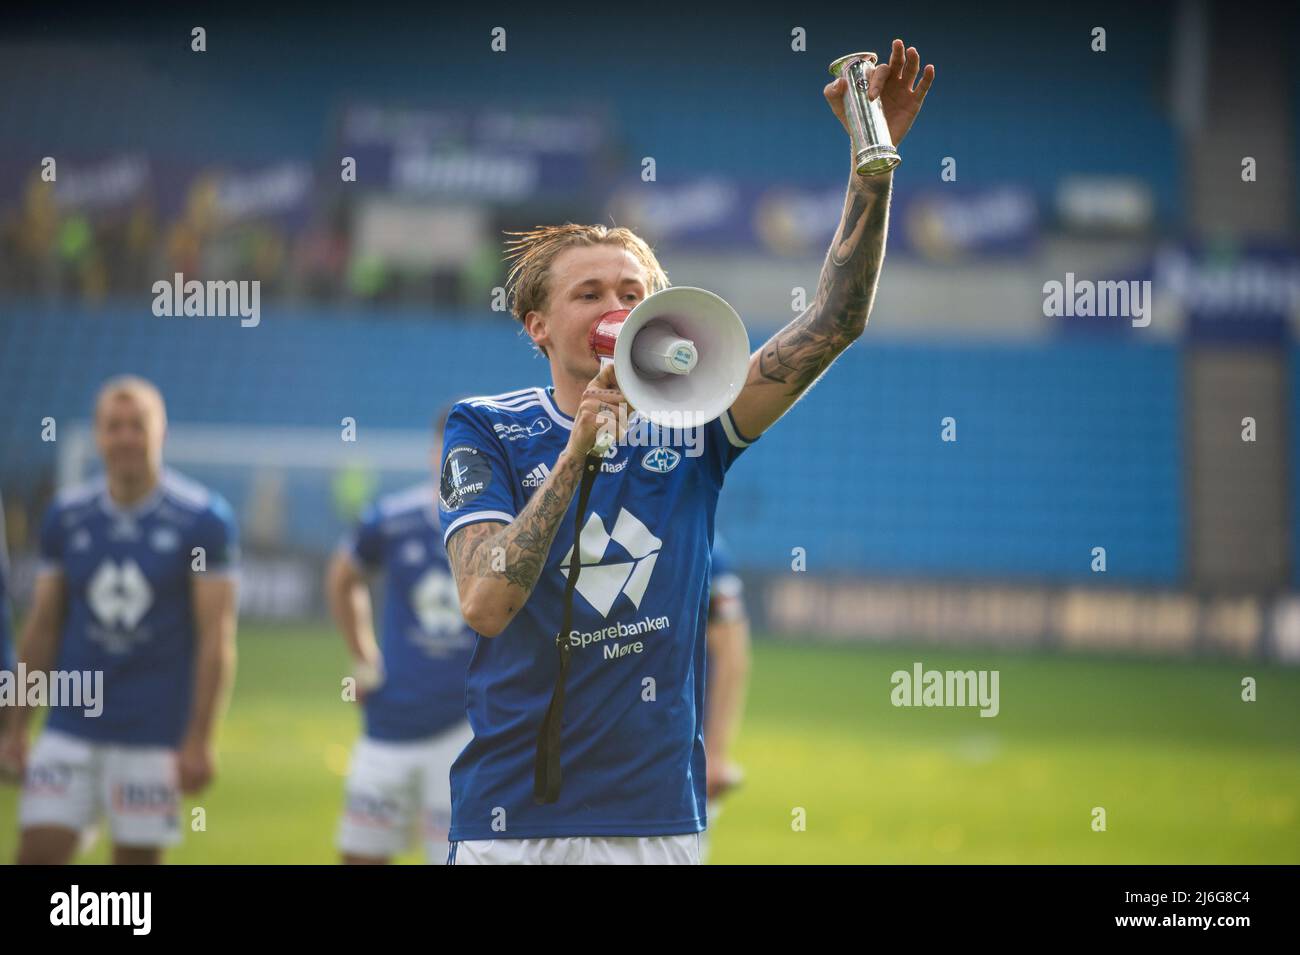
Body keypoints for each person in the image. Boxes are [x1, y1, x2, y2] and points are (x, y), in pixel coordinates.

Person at [439, 40, 934, 864]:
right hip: (511, 822)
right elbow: (485, 604)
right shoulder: (486, 426)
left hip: (657, 823)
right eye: (589, 292)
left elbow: (835, 322)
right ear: (537, 325)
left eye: (632, 293)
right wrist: (578, 453)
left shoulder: (696, 418)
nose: (615, 305)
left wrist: (870, 164)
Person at [2, 376, 239, 864]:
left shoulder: (202, 520)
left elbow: (216, 637)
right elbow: (43, 626)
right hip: (70, 727)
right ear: (98, 435)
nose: (127, 437)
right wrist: (16, 724)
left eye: (138, 425)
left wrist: (200, 739)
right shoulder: (66, 516)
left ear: (161, 432)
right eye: (115, 426)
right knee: (36, 854)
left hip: (152, 734)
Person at [327, 410, 476, 864]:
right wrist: (363, 655)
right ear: (433, 453)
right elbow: (343, 578)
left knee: (457, 858)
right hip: (390, 720)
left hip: (467, 726)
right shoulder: (393, 519)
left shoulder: (505, 526)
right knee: (360, 854)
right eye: (448, 450)